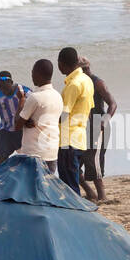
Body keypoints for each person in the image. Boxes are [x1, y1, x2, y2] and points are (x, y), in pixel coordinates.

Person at [56, 47, 94, 194]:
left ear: (61, 64)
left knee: (69, 185)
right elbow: (89, 110)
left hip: (67, 140)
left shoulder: (73, 85)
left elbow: (63, 115)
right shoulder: (86, 80)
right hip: (79, 137)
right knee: (72, 180)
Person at [15, 59, 62, 171]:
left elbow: (17, 125)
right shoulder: (58, 96)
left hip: (34, 153)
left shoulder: (35, 97)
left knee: (32, 187)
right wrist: (28, 121)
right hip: (52, 152)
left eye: (33, 72)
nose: (32, 76)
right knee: (46, 186)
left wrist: (21, 100)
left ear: (38, 74)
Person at [81, 57, 116, 199]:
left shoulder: (98, 83)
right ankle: (90, 192)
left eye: (86, 69)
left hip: (98, 124)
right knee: (74, 162)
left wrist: (106, 119)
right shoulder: (78, 84)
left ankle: (102, 195)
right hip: (83, 126)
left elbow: (112, 103)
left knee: (93, 161)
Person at [0, 71, 31, 165]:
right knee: (0, 161)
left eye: (5, 87)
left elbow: (36, 106)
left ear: (11, 82)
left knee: (28, 159)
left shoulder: (24, 91)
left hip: (23, 131)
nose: (3, 90)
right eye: (0, 87)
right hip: (5, 132)